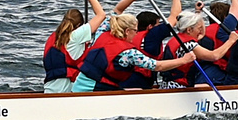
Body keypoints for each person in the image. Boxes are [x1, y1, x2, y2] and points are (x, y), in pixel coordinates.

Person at [73, 11, 208, 92]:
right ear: (127, 31)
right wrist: (184, 60)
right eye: (136, 31)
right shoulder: (128, 53)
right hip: (96, 89)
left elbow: (114, 14)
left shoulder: (102, 33)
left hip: (79, 85)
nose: (137, 34)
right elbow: (157, 66)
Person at [42, 0, 112, 93]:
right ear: (79, 26)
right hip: (68, 91)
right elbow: (101, 15)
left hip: (50, 89)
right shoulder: (76, 35)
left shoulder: (53, 37)